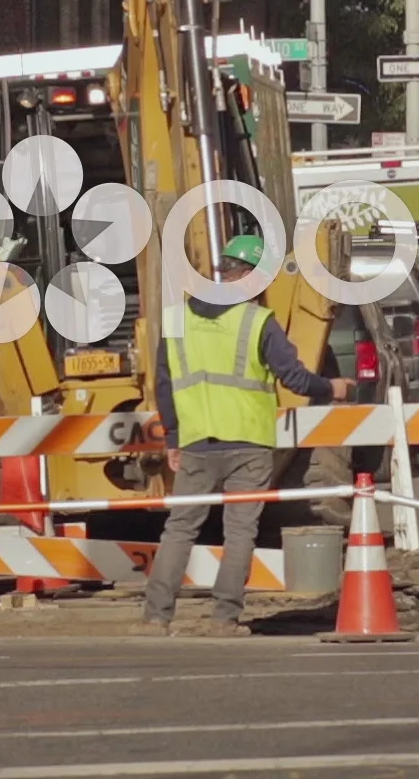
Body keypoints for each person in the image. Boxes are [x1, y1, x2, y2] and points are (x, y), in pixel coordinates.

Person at [136, 235, 354, 637]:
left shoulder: (177, 320)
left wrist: (173, 439)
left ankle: (156, 617)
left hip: (197, 443)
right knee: (240, 532)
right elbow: (295, 378)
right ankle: (224, 619)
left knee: (180, 528)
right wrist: (333, 389)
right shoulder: (257, 322)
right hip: (249, 445)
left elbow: (164, 385)